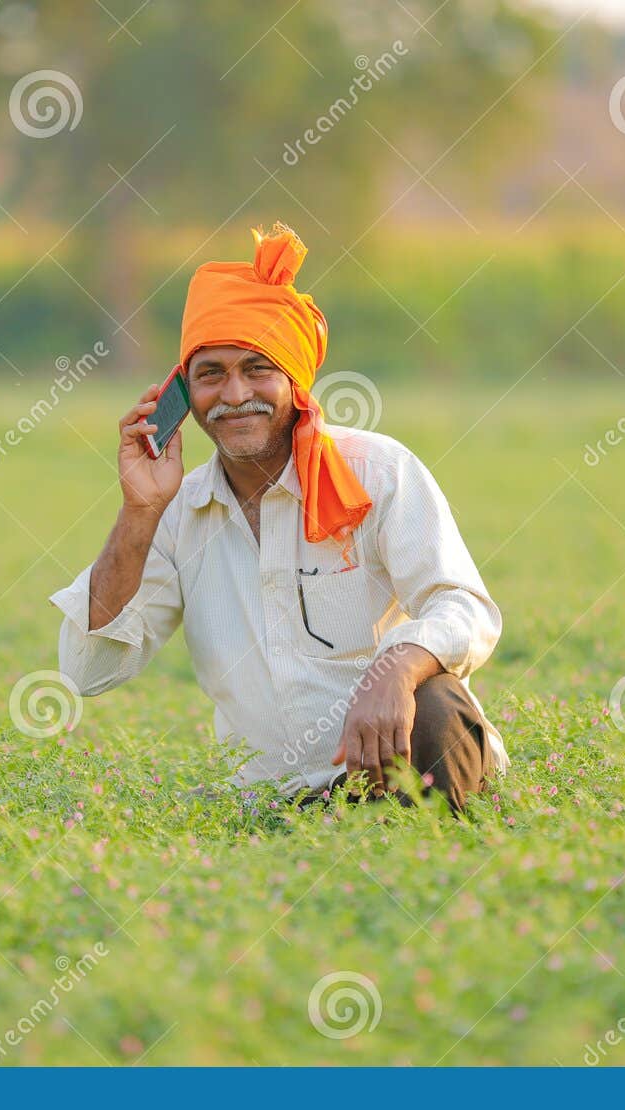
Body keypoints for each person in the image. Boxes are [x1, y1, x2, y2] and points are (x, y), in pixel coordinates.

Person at [49, 223, 505, 812]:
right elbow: (88, 669)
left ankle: (433, 862)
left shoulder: (378, 470)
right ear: (182, 395)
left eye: (257, 368)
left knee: (438, 703)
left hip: (401, 768)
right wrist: (139, 510)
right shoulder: (174, 514)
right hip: (277, 805)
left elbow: (465, 608)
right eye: (210, 373)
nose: (234, 394)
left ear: (295, 379)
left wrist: (396, 666)